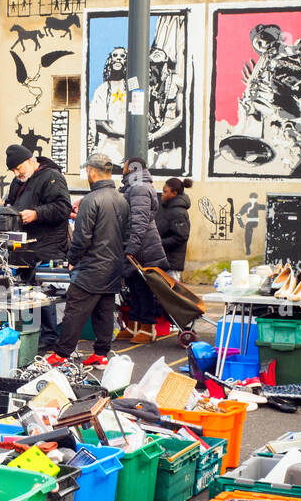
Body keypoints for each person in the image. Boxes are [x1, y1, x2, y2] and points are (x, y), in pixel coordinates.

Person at [46, 153, 129, 368]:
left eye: (87, 171)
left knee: (75, 310)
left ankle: (61, 354)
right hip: (113, 267)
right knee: (104, 312)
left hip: (91, 267)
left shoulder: (90, 200)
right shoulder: (122, 199)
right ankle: (101, 355)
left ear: (92, 171)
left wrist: (72, 260)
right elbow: (126, 234)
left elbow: (82, 237)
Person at [3, 143, 71, 350]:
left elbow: (63, 208)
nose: (17, 173)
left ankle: (49, 336)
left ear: (30, 161)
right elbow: (12, 204)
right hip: (25, 247)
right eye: (13, 170)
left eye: (19, 168)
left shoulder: (51, 177)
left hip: (48, 245)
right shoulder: (18, 182)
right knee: (28, 292)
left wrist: (37, 213)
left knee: (42, 293)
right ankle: (34, 334)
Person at [118, 156, 169, 343]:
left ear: (131, 168)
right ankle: (134, 325)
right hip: (138, 245)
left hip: (143, 249)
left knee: (143, 289)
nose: (121, 168)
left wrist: (131, 248)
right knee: (133, 288)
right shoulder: (134, 186)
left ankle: (147, 328)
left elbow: (139, 221)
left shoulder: (139, 188)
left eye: (124, 165)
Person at [89, 47, 128, 167]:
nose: (118, 59)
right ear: (110, 61)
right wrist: (121, 134)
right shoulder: (102, 89)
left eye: (122, 56)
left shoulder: (131, 87)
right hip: (107, 148)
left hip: (127, 149)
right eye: (115, 56)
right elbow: (99, 121)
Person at [156, 177, 193, 281]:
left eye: (165, 192)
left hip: (171, 263)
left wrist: (159, 243)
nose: (162, 194)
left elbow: (181, 237)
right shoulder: (168, 208)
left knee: (171, 295)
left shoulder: (178, 212)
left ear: (174, 193)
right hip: (164, 261)